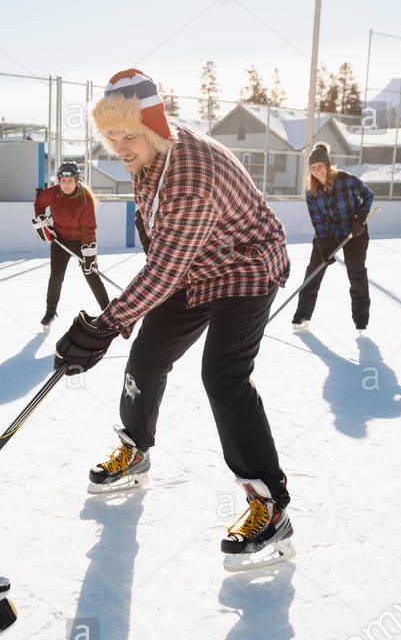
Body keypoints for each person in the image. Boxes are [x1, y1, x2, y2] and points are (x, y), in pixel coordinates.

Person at [54, 69, 294, 570]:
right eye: (112, 136)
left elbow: (165, 267)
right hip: (195, 267)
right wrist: (126, 319)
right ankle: (135, 451)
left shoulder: (190, 172)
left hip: (246, 265)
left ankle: (269, 507)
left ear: (155, 127)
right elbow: (162, 249)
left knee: (224, 376)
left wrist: (105, 324)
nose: (119, 147)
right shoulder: (153, 158)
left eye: (129, 135)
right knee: (146, 354)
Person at [291, 142, 374, 334]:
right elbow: (317, 219)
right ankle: (302, 316)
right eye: (313, 167)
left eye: (320, 166)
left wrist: (360, 219)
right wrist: (324, 245)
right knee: (313, 271)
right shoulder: (311, 191)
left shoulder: (345, 180)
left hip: (355, 232)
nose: (317, 170)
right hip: (328, 234)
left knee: (356, 273)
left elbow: (367, 196)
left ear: (327, 165)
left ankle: (361, 320)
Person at [33, 161, 108, 330]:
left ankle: (109, 311)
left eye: (70, 180)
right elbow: (39, 202)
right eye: (63, 181)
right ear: (59, 180)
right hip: (60, 240)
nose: (66, 184)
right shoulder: (52, 194)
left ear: (76, 180)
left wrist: (89, 254)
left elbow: (89, 228)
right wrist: (41, 220)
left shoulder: (84, 199)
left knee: (91, 274)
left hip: (82, 241)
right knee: (56, 276)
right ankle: (50, 311)